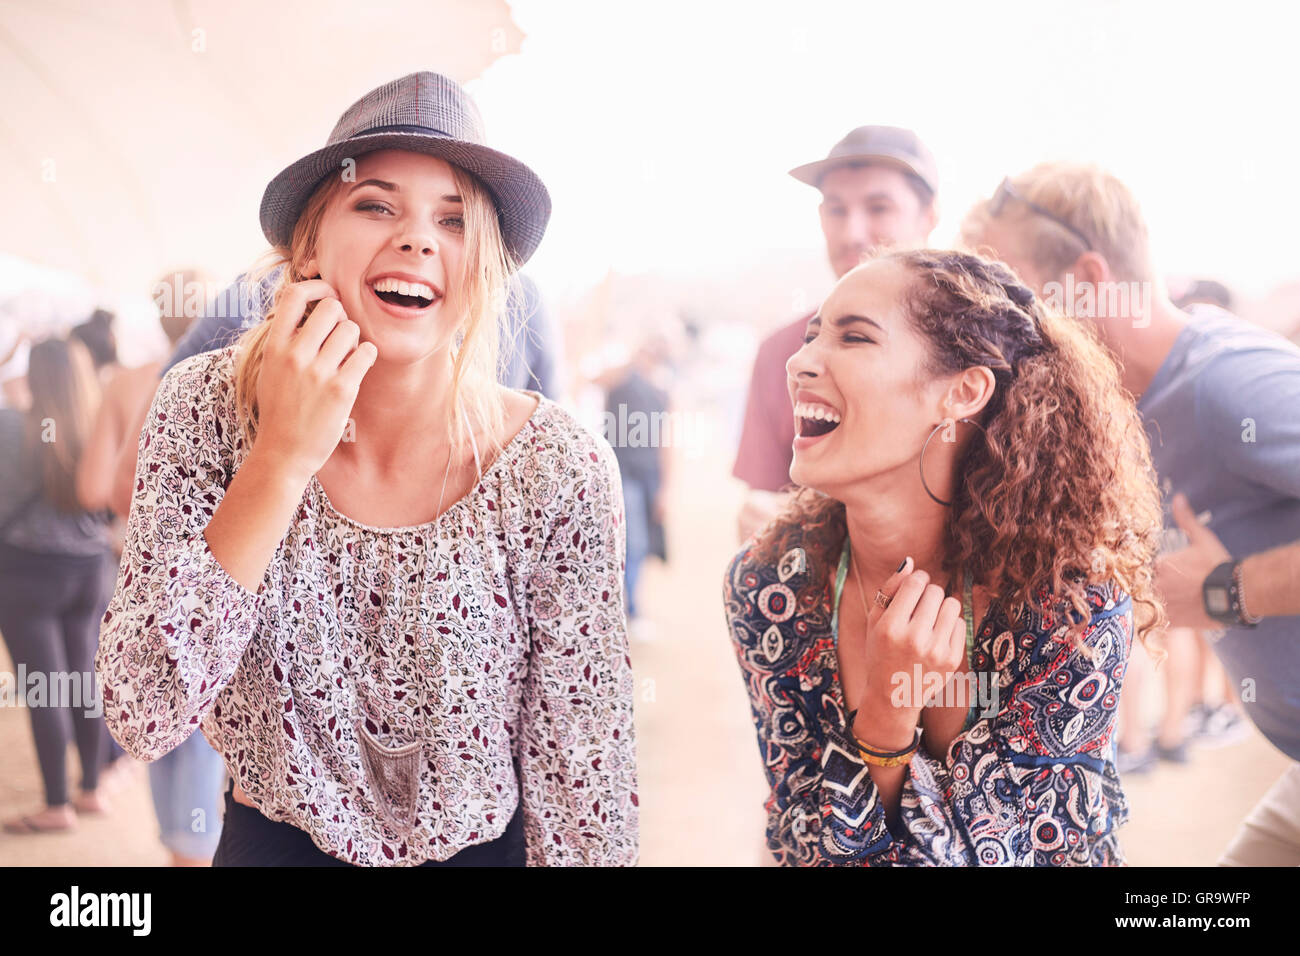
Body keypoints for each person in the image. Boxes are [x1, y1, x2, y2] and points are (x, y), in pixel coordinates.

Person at [96, 71, 638, 866]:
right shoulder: (203, 410)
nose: (419, 239)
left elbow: (584, 789)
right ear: (308, 246)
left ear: (484, 267)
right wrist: (280, 459)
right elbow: (141, 708)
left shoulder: (560, 468)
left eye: (455, 221)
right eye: (377, 204)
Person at [724, 249, 1164, 865]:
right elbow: (803, 848)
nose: (799, 362)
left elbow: (1021, 855)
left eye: (854, 337)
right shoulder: (771, 583)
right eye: (811, 336)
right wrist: (887, 715)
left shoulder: (1070, 599)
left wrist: (879, 733)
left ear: (962, 390)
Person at [962, 162, 1300, 866]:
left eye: (1009, 291)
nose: (990, 323)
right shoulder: (1113, 405)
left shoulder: (1224, 382)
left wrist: (1224, 591)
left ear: (1086, 279)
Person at [77, 269, 227, 865]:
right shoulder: (254, 378)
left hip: (142, 576)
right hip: (232, 580)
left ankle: (183, 848)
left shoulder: (130, 384)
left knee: (165, 721)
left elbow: (98, 488)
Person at [733, 126, 939, 543]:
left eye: (879, 208)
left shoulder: (982, 349)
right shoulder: (783, 355)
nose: (852, 233)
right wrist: (763, 525)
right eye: (836, 210)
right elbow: (761, 503)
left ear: (929, 218)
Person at [0, 338, 114, 833]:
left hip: (28, 573)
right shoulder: (96, 428)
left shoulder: (13, 427)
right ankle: (90, 789)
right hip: (90, 572)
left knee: (46, 687)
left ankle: (55, 805)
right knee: (84, 680)